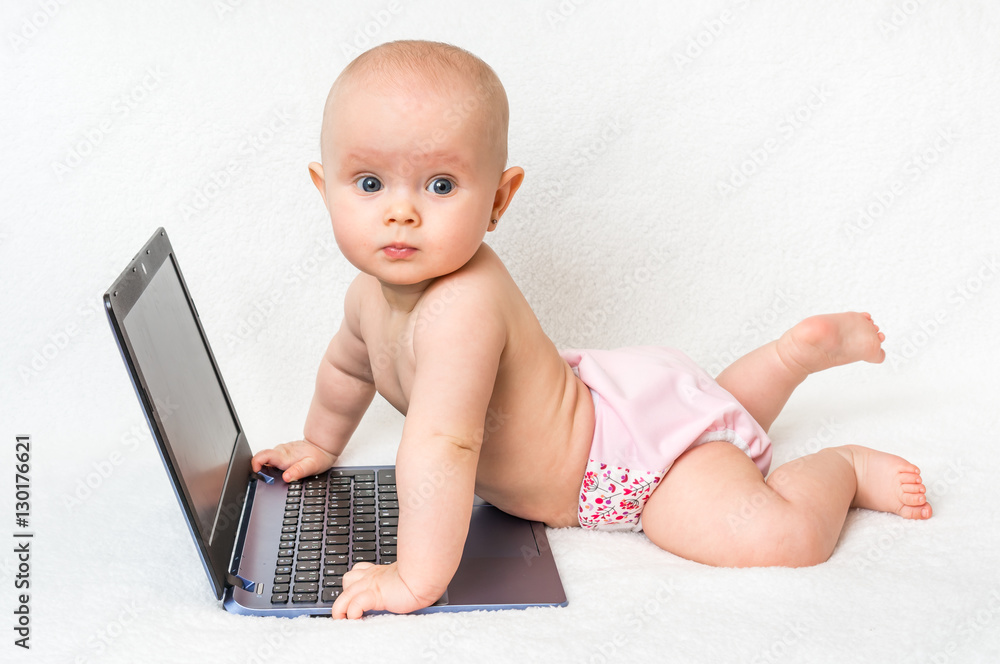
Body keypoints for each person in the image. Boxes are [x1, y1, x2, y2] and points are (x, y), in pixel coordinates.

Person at [251, 39, 931, 620]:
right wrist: (320, 442)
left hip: (625, 468)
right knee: (711, 422)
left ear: (498, 199)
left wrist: (414, 578)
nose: (401, 213)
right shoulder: (366, 296)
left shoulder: (460, 308)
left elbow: (444, 446)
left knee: (770, 535)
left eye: (440, 186)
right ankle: (786, 359)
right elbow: (348, 368)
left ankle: (843, 469)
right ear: (324, 188)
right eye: (370, 184)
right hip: (616, 402)